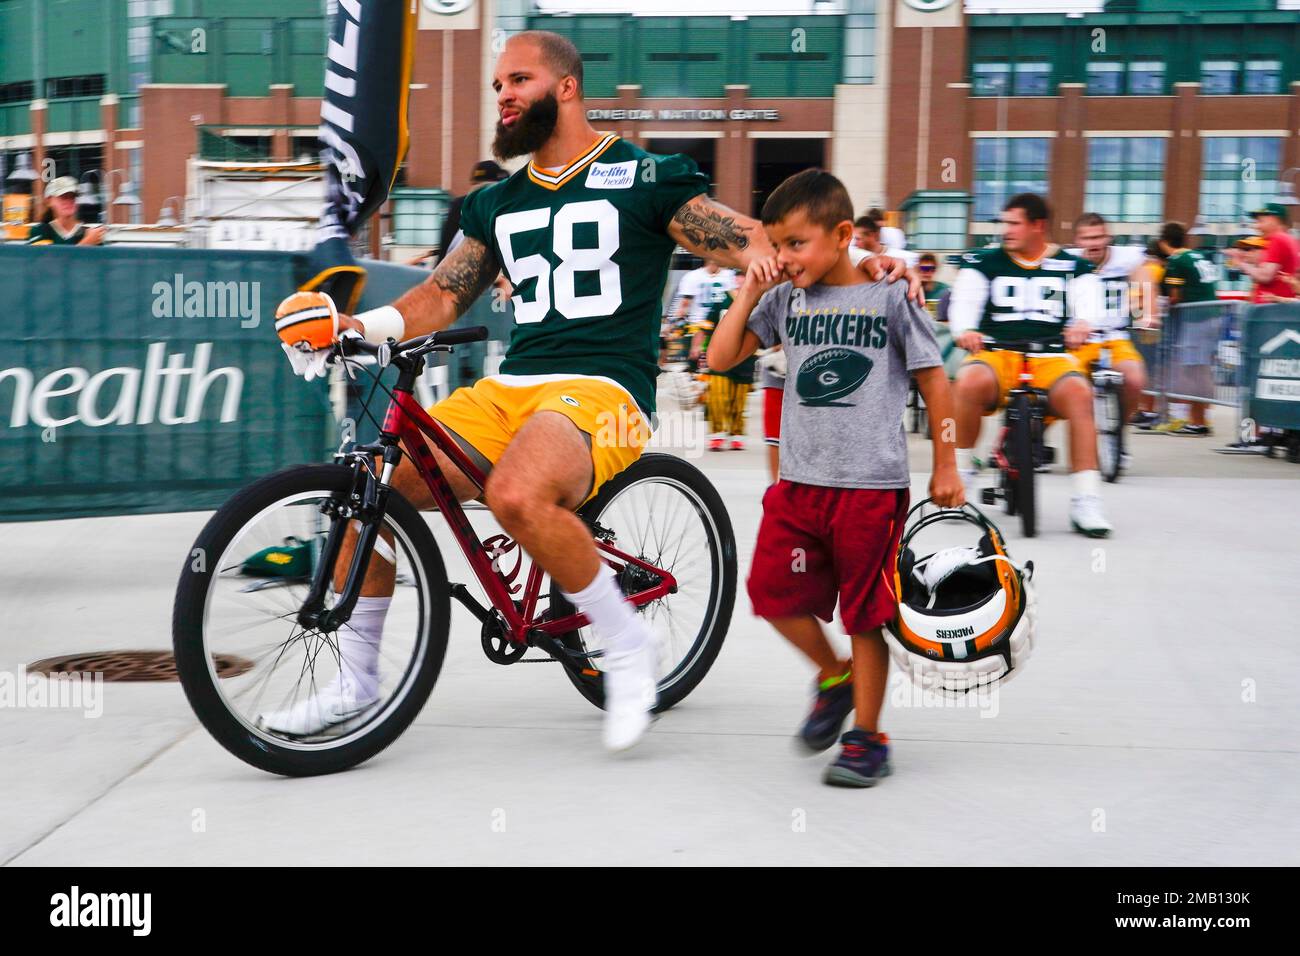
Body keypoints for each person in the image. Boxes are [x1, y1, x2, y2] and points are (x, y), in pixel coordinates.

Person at [270, 31, 916, 750]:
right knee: (369, 489)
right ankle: (357, 682)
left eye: (518, 80)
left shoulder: (644, 176)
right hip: (511, 388)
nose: (505, 96)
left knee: (517, 495)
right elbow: (441, 295)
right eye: (497, 88)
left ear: (567, 87)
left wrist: (863, 258)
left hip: (609, 392)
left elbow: (752, 238)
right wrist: (360, 324)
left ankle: (629, 645)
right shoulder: (494, 203)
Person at [707, 168, 963, 787]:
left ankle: (869, 736)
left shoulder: (890, 296)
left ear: (843, 234)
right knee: (772, 593)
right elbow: (718, 359)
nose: (786, 257)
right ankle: (834, 674)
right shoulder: (784, 299)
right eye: (779, 244)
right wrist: (747, 291)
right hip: (799, 484)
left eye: (798, 243)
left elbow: (933, 376)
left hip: (871, 487)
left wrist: (949, 461)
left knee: (866, 614)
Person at [949, 192, 1112, 537]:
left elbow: (1091, 305)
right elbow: (964, 302)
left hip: (1049, 356)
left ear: (1038, 226)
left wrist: (1084, 324)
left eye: (1013, 223)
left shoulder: (1073, 265)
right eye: (1003, 223)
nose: (1005, 230)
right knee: (967, 382)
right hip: (997, 353)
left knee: (1081, 395)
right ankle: (961, 471)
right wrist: (965, 330)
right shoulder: (984, 261)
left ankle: (1086, 498)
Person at [1069, 213, 1149, 448]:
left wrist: (1146, 313)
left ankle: (1117, 435)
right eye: (1087, 238)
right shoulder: (1065, 262)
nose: (1093, 243)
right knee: (1055, 384)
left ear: (1108, 237)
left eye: (1099, 237)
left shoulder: (1128, 258)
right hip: (1077, 339)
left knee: (1134, 379)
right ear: (1077, 240)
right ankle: (1035, 439)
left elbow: (1146, 280)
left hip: (1114, 336)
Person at [1156, 221, 1219, 436]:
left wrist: (1162, 305)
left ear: (1164, 242)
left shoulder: (1176, 260)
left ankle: (1198, 421)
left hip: (1196, 320)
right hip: (1212, 316)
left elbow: (1175, 296)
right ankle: (1202, 417)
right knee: (1202, 368)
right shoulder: (1197, 256)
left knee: (1193, 369)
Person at [693, 291, 757, 450]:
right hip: (720, 354)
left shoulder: (757, 302)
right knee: (718, 397)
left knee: (739, 401)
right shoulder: (721, 301)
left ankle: (737, 434)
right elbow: (706, 327)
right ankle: (717, 434)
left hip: (745, 358)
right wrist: (697, 347)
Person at [1229, 203, 1298, 303]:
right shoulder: (1289, 239)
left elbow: (1265, 276)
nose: (1256, 226)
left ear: (1274, 219)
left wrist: (1240, 262)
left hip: (1270, 311)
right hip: (1277, 310)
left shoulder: (1278, 239)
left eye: (1261, 221)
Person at [25, 177, 105, 247]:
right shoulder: (40, 231)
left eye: (72, 196)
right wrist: (87, 243)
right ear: (49, 201)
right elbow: (47, 262)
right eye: (63, 197)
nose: (69, 201)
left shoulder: (89, 233)